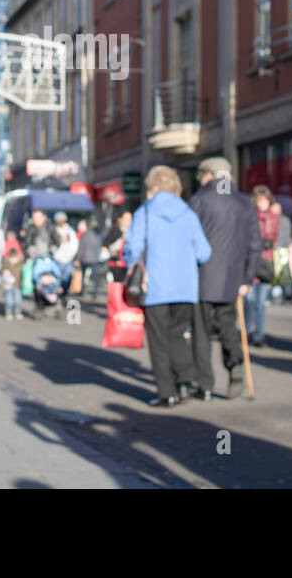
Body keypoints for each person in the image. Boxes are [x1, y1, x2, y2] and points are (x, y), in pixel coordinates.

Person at [123, 166, 212, 407]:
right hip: (186, 288)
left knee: (159, 340)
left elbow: (131, 249)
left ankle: (167, 393)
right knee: (178, 335)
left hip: (156, 287)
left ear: (152, 188)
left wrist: (132, 265)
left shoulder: (145, 213)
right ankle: (184, 381)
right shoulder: (189, 214)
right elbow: (204, 253)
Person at [189, 157, 262, 399]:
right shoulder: (244, 203)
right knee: (228, 327)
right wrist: (247, 279)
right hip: (232, 278)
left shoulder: (199, 200)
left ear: (208, 175)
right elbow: (255, 244)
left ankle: (205, 383)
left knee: (201, 331)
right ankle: (235, 366)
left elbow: (188, 241)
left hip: (201, 276)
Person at [245, 186, 284, 346]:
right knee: (249, 300)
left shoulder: (275, 217)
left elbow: (278, 238)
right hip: (251, 261)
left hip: (267, 262)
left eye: (265, 200)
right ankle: (247, 330)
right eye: (260, 200)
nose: (262, 203)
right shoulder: (250, 216)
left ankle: (258, 335)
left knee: (261, 303)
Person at [75, 218, 105, 298]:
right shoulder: (97, 236)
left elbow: (80, 248)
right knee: (95, 277)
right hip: (94, 259)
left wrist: (78, 259)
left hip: (85, 258)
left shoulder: (84, 236)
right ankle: (95, 292)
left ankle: (82, 290)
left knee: (83, 275)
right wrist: (98, 257)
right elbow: (99, 248)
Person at [0, 233, 26, 320]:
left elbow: (24, 273)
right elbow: (0, 270)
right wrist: (4, 271)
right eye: (11, 258)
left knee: (18, 299)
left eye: (14, 258)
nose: (13, 260)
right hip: (8, 285)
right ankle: (8, 312)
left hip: (17, 285)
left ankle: (17, 311)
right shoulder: (6, 264)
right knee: (9, 300)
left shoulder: (20, 264)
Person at [104, 208, 134, 283]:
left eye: (130, 219)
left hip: (130, 265)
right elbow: (105, 246)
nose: (128, 221)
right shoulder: (114, 231)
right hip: (117, 265)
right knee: (118, 286)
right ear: (120, 220)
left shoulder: (134, 233)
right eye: (125, 219)